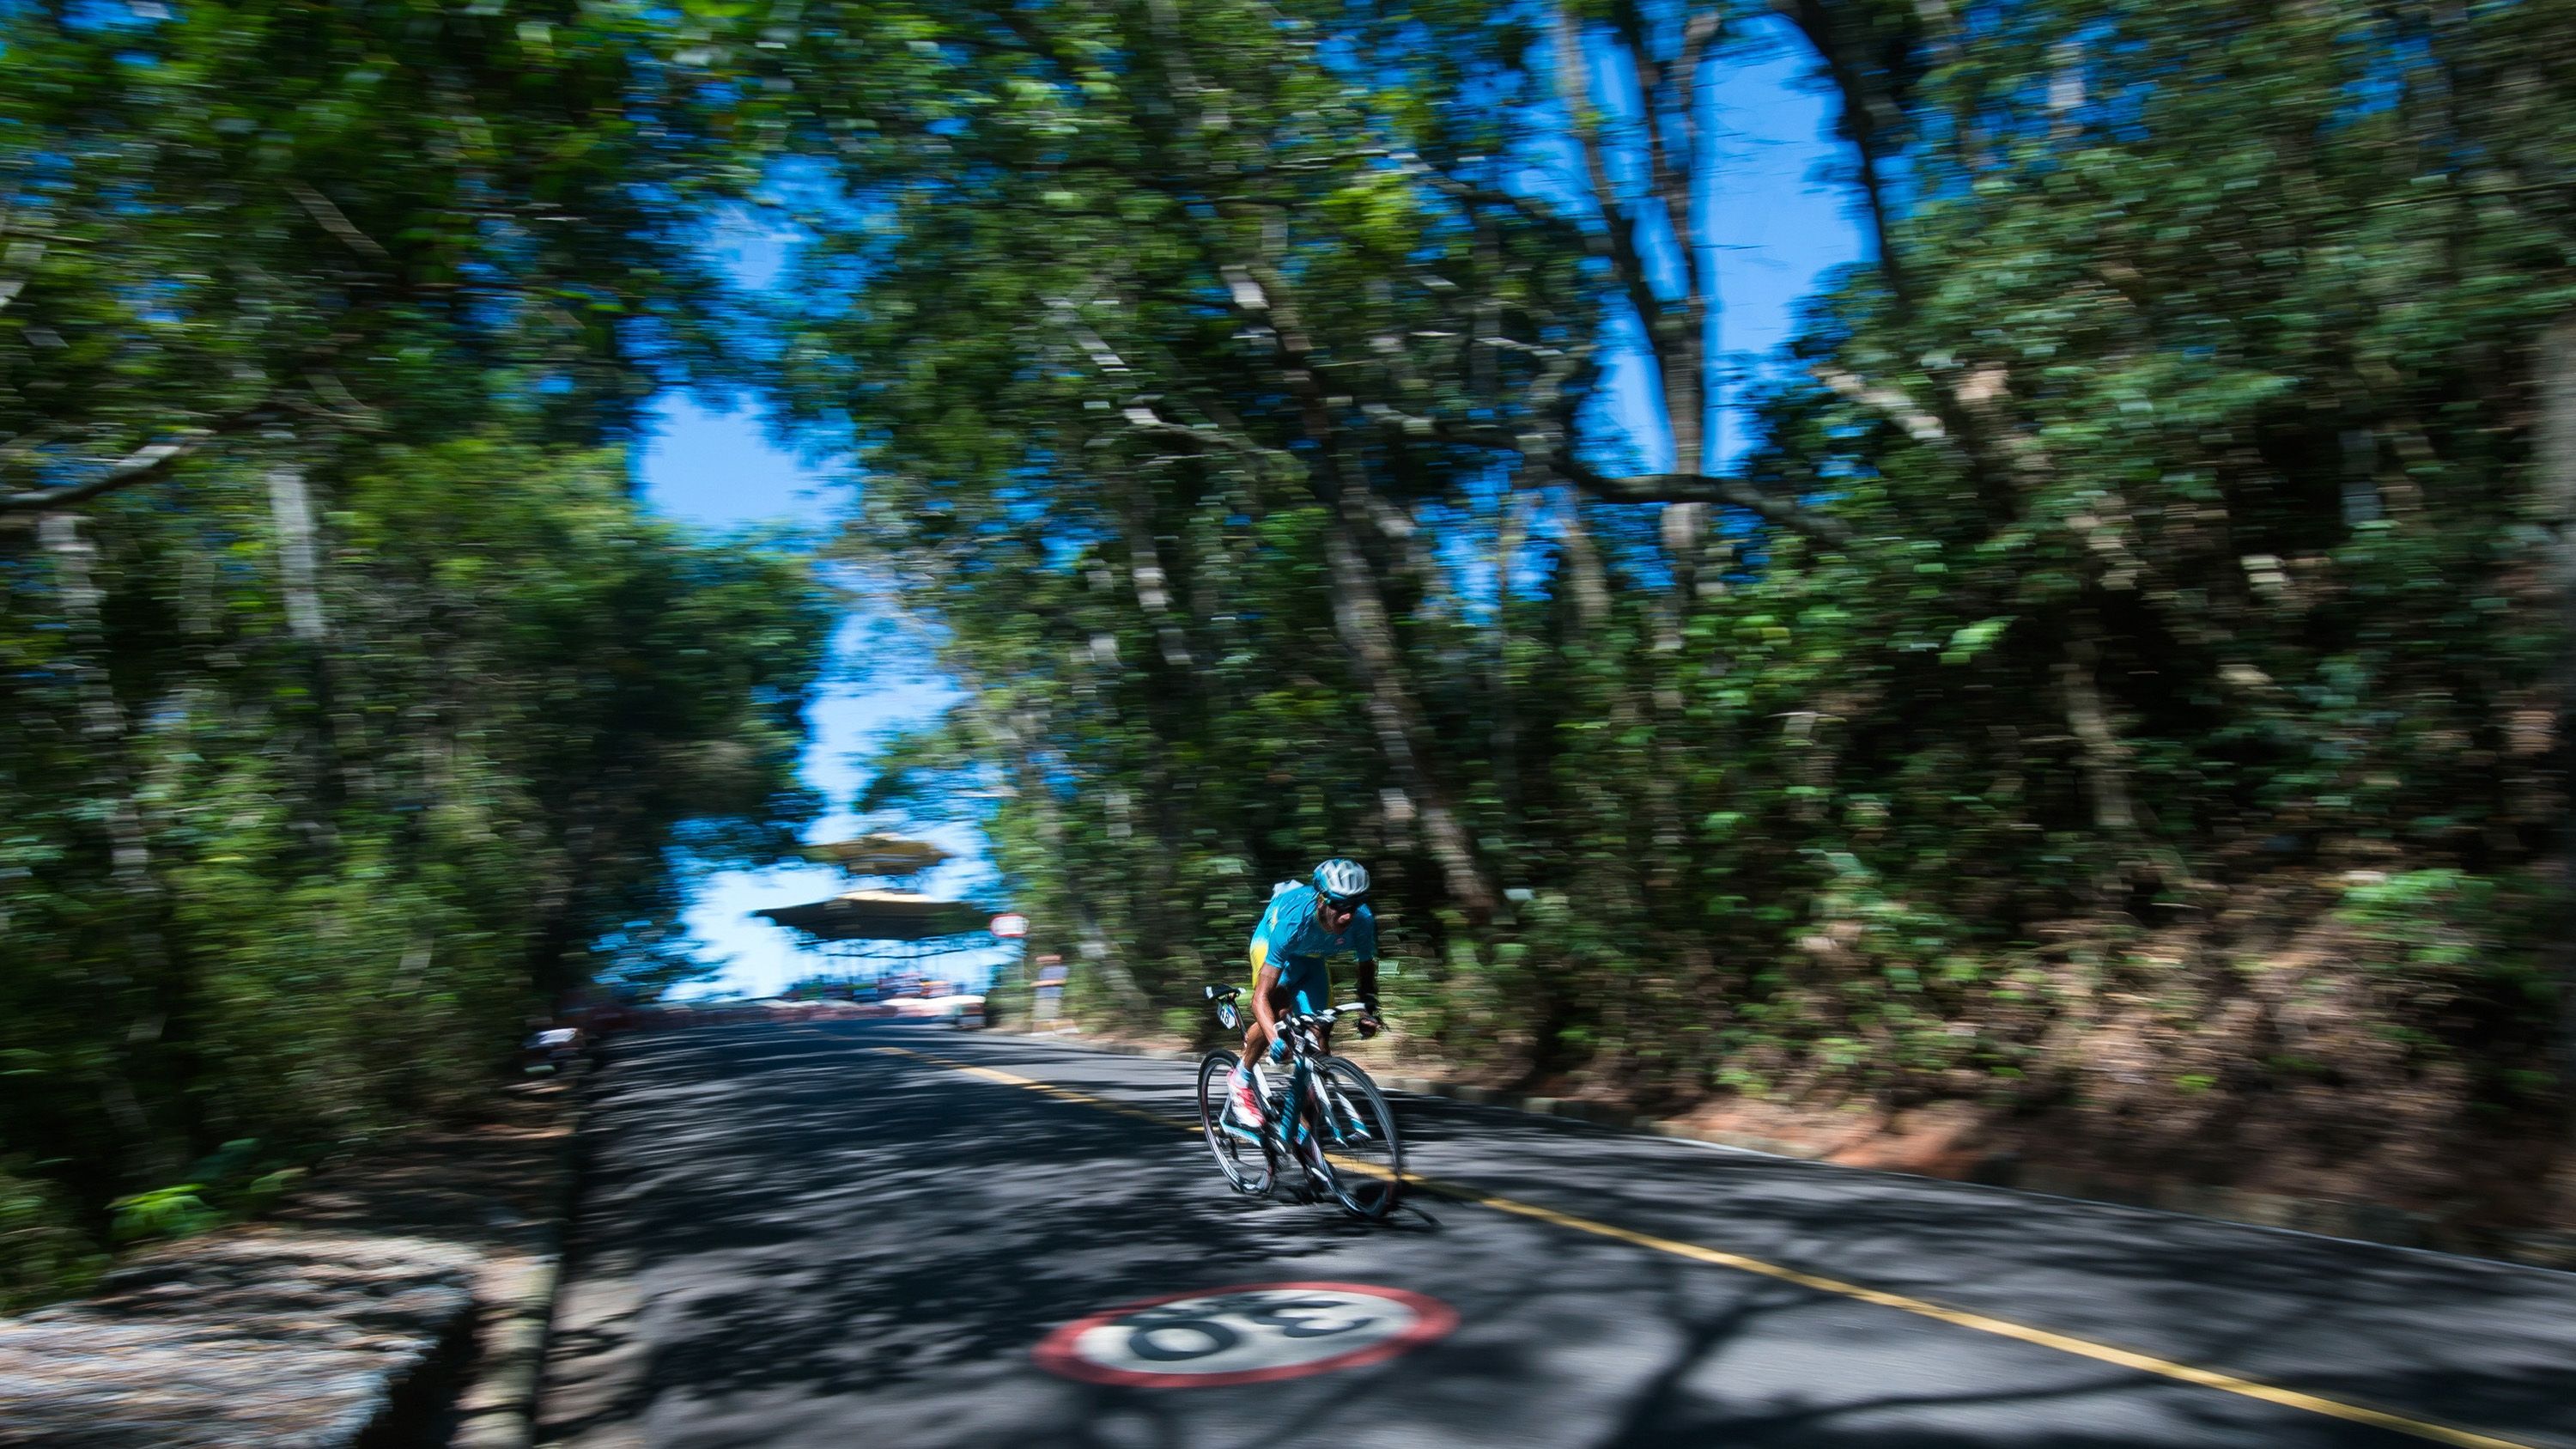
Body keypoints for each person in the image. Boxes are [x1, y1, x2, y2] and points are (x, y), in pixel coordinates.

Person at [1230, 857, 1382, 1128]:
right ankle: (1240, 1078)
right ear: (1321, 900)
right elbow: (1258, 999)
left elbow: (1366, 970)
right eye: (1339, 905)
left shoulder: (1363, 920)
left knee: (1320, 1037)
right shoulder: (1293, 921)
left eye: (1354, 906)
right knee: (1278, 1009)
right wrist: (1275, 1039)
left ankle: (1302, 1135)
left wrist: (1369, 1010)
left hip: (1312, 955)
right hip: (1274, 942)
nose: (1348, 915)